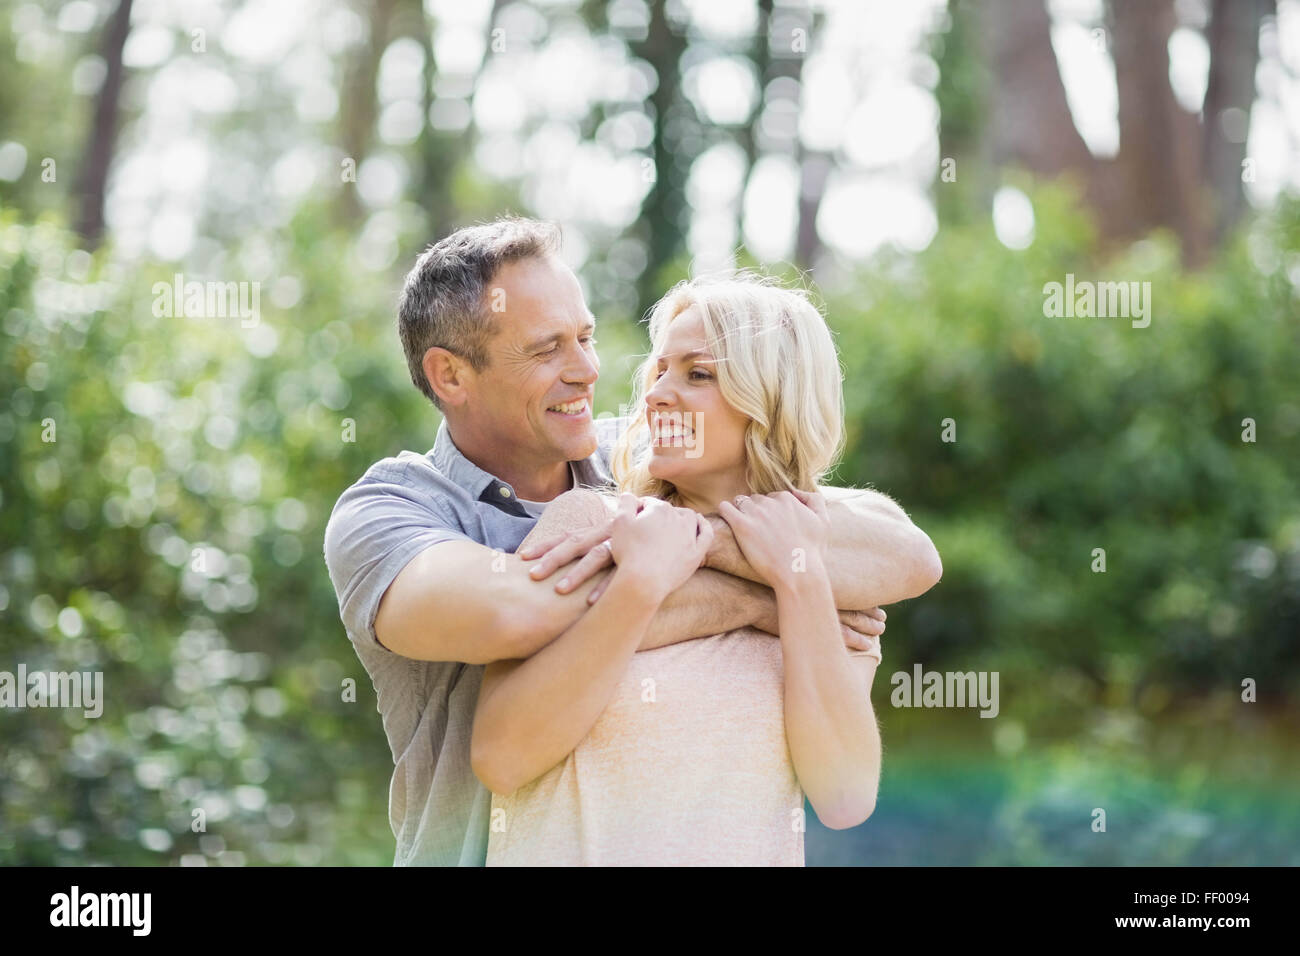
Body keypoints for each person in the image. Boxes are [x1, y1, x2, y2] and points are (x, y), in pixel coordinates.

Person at [323, 217, 942, 865]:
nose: (596, 373)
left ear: (771, 400)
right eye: (547, 349)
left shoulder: (665, 490)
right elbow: (515, 618)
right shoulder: (401, 510)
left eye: (587, 338)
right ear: (451, 376)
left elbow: (909, 559)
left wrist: (773, 570)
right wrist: (747, 600)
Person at [475, 273, 936, 865]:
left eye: (698, 374)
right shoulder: (591, 524)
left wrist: (796, 584)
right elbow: (500, 758)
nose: (658, 394)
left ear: (770, 400)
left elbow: (843, 798)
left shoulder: (828, 573)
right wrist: (640, 583)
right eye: (660, 371)